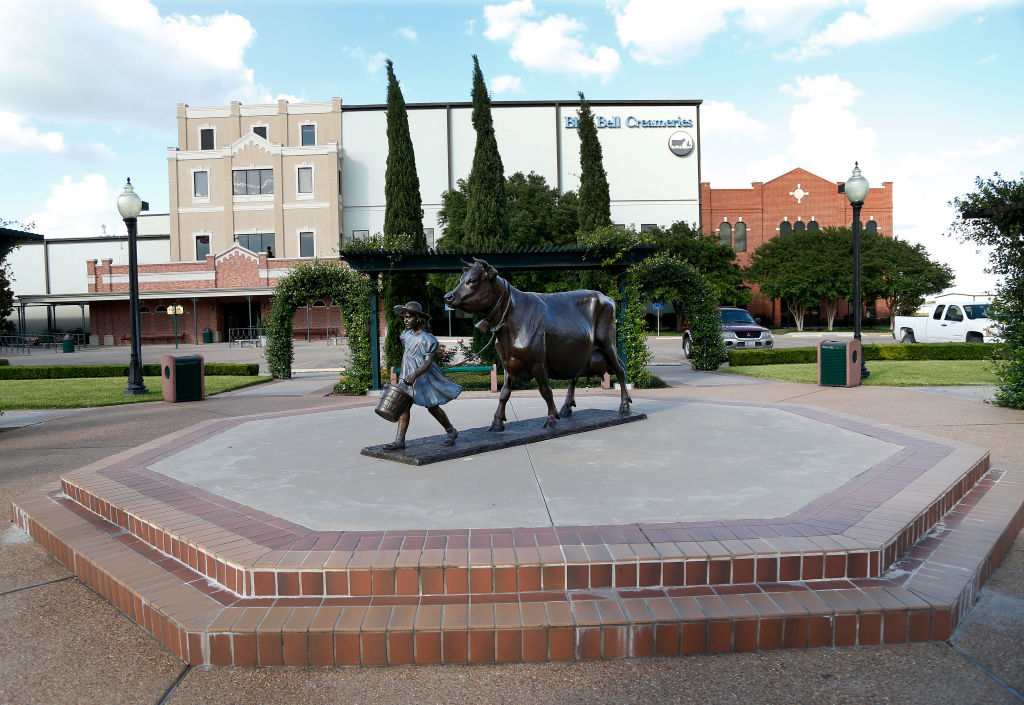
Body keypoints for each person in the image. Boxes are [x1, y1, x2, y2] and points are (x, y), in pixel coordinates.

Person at [384, 301, 461, 450]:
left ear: (418, 318)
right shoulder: (405, 336)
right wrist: (409, 373)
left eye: (409, 317)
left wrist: (415, 373)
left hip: (423, 377)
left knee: (432, 407)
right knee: (404, 406)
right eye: (404, 317)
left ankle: (451, 430)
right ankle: (400, 440)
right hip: (408, 376)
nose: (406, 320)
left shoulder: (429, 339)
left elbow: (427, 363)